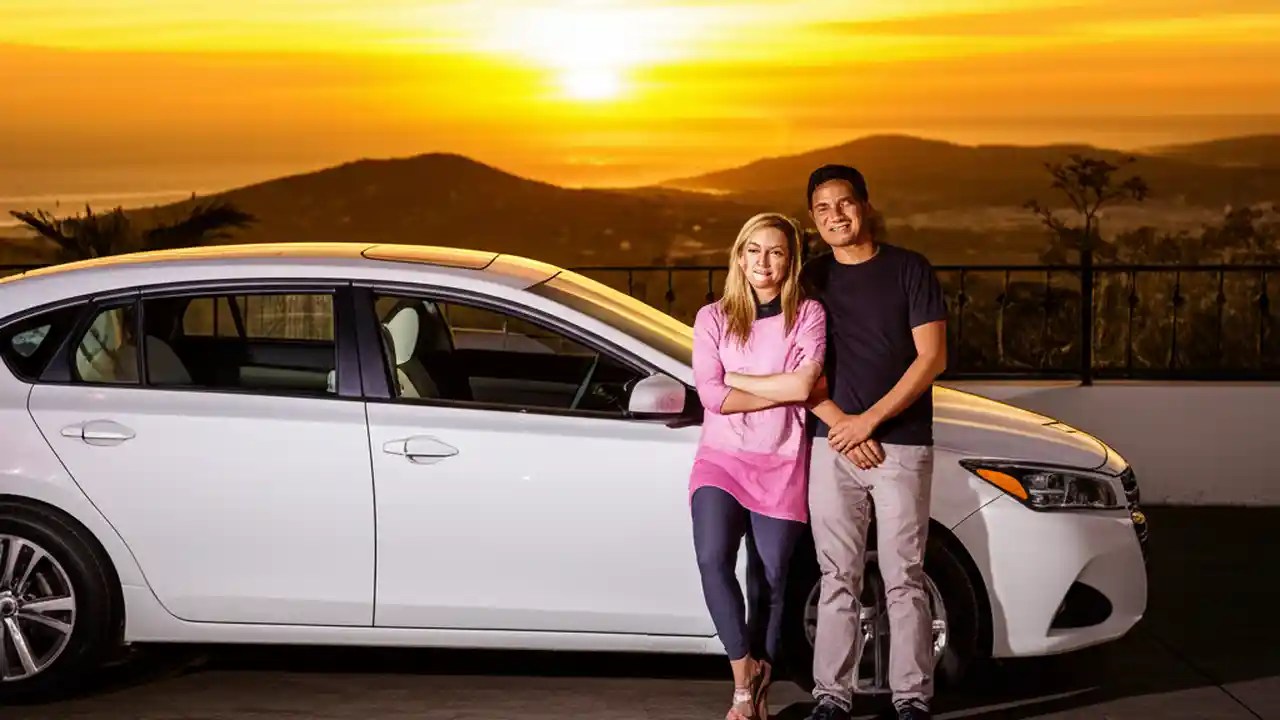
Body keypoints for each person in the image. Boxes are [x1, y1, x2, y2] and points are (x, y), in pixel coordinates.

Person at [800, 165, 949, 720]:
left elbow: (931, 358)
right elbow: (796, 369)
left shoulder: (909, 269)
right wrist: (844, 425)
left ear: (864, 205)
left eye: (844, 204)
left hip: (902, 445)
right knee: (836, 574)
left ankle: (912, 698)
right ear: (813, 220)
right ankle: (832, 698)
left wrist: (870, 423)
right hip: (831, 444)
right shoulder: (810, 280)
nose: (835, 216)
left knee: (903, 574)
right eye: (822, 209)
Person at [690, 212, 828, 720]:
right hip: (721, 459)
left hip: (782, 460)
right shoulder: (713, 317)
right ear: (739, 255)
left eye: (775, 252)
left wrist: (740, 380)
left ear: (790, 261)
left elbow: (801, 388)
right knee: (712, 558)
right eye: (753, 250)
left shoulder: (808, 314)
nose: (762, 263)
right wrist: (777, 384)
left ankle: (758, 691)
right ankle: (743, 680)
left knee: (769, 579)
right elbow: (711, 397)